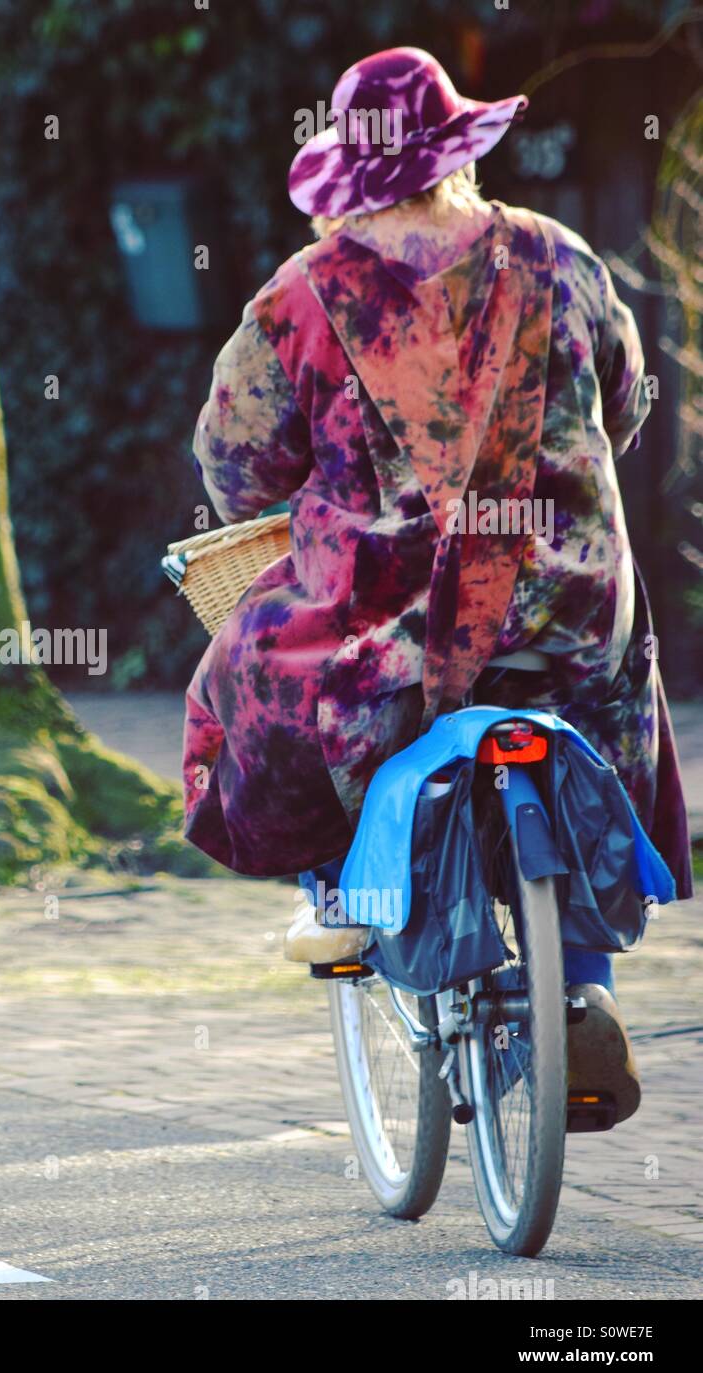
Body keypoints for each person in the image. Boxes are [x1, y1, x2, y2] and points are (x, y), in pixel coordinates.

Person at [182, 47, 693, 1125]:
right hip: (569, 615)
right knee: (601, 706)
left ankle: (336, 893)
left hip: (385, 637)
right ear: (456, 155)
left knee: (254, 679)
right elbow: (627, 395)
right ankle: (582, 985)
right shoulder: (558, 257)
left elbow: (234, 466)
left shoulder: (300, 299)